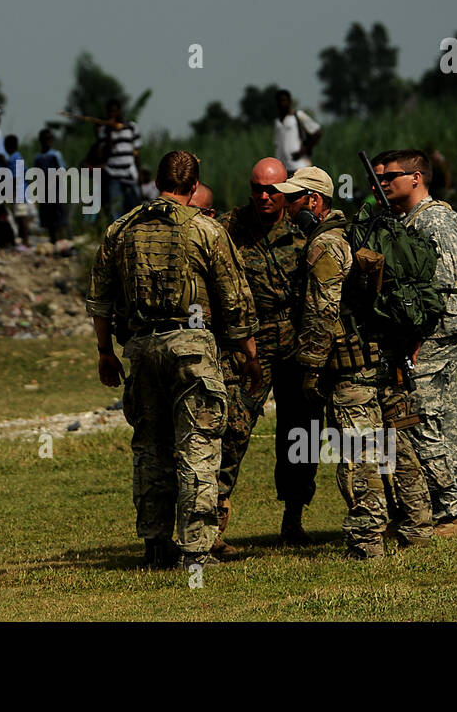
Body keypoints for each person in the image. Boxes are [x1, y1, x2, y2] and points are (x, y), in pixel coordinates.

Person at [86, 150, 262, 569]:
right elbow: (235, 302)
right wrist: (250, 357)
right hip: (192, 350)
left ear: (156, 182)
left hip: (142, 351)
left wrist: (104, 353)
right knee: (197, 446)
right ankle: (195, 551)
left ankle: (155, 545)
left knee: (151, 449)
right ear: (194, 186)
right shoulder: (207, 230)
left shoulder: (120, 229)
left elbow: (100, 301)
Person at [378, 149, 457, 539]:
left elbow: (440, 288)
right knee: (454, 418)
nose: (383, 183)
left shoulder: (434, 221)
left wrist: (415, 337)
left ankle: (455, 512)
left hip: (436, 334)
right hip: (445, 334)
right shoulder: (406, 220)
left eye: (390, 176)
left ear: (415, 178)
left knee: (422, 418)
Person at [280, 166, 389, 558]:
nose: (286, 206)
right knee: (377, 448)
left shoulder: (324, 244)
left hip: (346, 368)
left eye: (292, 198)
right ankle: (412, 526)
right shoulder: (344, 235)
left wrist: (309, 367)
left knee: (358, 454)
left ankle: (367, 543)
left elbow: (322, 312)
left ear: (314, 201)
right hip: (365, 360)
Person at [217, 157, 313, 553]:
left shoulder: (304, 229)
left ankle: (293, 520)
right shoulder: (229, 228)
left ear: (285, 188)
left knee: (300, 433)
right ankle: (214, 520)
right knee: (233, 429)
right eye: (257, 188)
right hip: (249, 348)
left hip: (295, 344)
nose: (264, 196)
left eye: (272, 189)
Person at [97, 98, 142, 219]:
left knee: (135, 209)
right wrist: (110, 132)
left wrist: (139, 172)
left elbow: (136, 152)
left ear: (119, 111)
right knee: (116, 210)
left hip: (130, 174)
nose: (112, 114)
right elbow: (105, 152)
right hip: (114, 175)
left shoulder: (131, 127)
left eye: (114, 111)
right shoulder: (104, 130)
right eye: (110, 112)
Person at [34, 128, 70, 242]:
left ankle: (61, 241)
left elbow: (62, 170)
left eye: (49, 138)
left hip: (56, 189)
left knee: (58, 216)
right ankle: (52, 240)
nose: (47, 141)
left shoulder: (55, 154)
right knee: (48, 217)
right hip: (44, 191)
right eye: (45, 139)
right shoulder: (38, 157)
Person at [273, 90, 322, 173]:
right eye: (279, 101)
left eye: (284, 100)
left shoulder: (298, 116)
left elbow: (317, 132)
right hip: (283, 167)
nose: (282, 103)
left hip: (300, 165)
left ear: (290, 101)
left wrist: (304, 150)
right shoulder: (277, 121)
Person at [4, 134, 32, 247]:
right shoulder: (19, 156)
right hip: (23, 190)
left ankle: (25, 240)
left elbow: (15, 177)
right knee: (21, 216)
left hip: (19, 192)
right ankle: (24, 238)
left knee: (21, 216)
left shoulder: (12, 159)